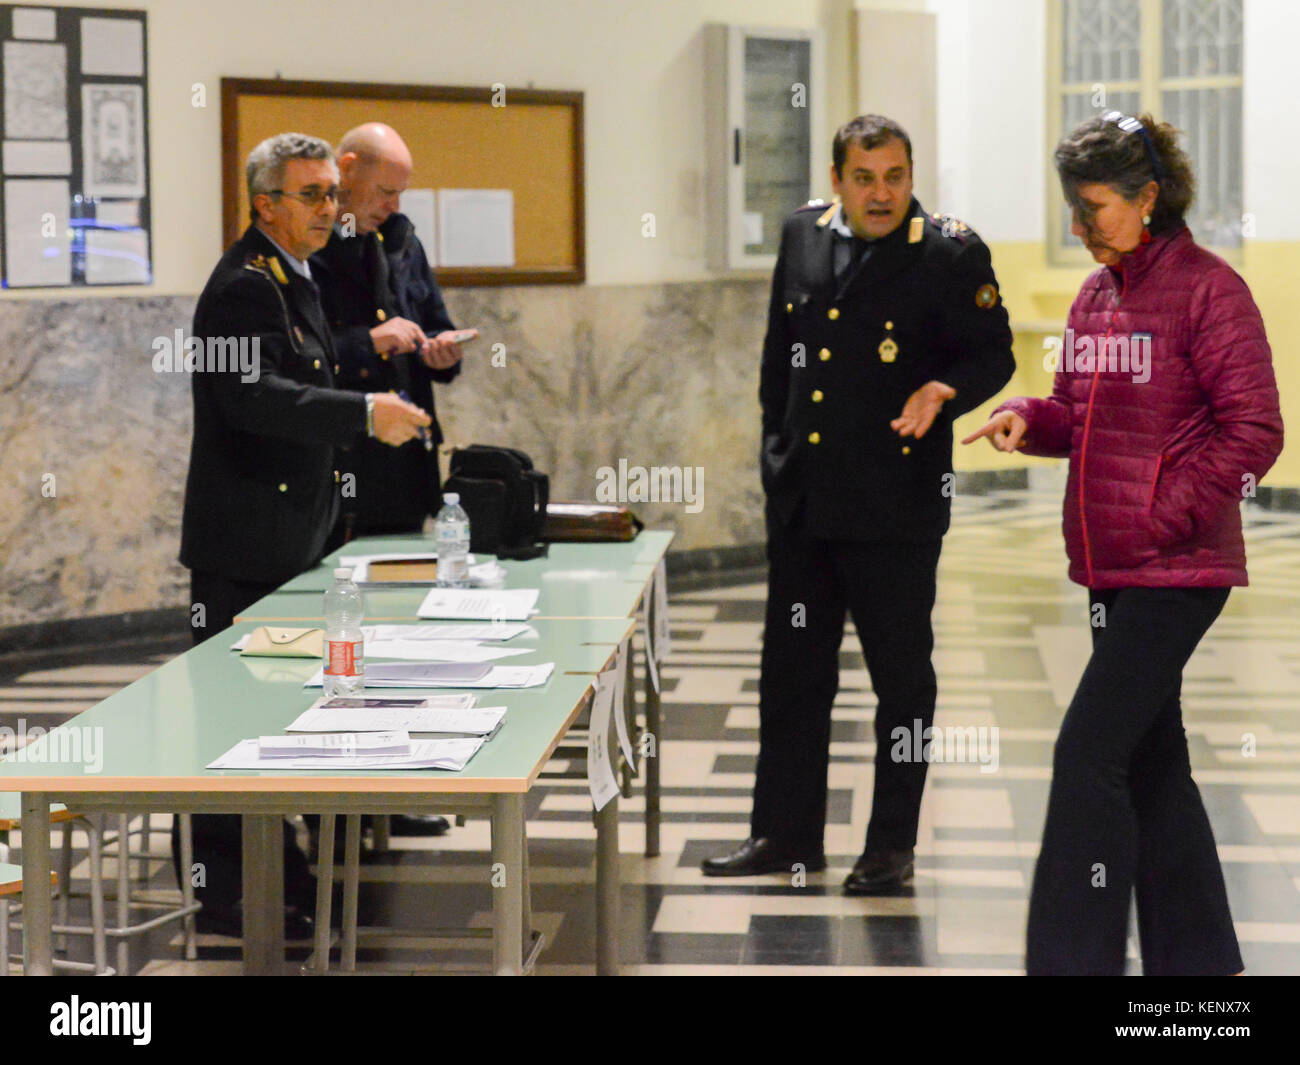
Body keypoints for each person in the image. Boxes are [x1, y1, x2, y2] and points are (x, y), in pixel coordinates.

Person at [963, 112, 1283, 975]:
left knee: (1087, 754)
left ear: (1149, 198)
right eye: (1072, 206)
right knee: (1151, 763)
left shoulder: (1212, 290)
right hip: (1115, 568)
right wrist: (1025, 418)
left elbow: (1254, 430)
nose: (1078, 224)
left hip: (1175, 570)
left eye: (1093, 206)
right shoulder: (1097, 296)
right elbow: (1074, 411)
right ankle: (1202, 975)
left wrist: (1160, 511)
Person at [702, 115, 1016, 894]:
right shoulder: (802, 234)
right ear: (838, 178)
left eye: (896, 177)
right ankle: (784, 834)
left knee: (902, 683)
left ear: (913, 174)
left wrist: (947, 387)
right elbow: (781, 361)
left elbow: (995, 351)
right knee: (792, 674)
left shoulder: (949, 252)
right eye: (866, 178)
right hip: (807, 505)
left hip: (895, 510)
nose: (883, 195)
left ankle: (890, 847)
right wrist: (777, 458)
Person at [177, 132, 431, 937]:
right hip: (245, 539)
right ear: (265, 205)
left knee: (282, 714)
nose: (330, 209)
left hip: (293, 534)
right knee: (229, 720)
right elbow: (257, 399)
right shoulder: (242, 288)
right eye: (312, 195)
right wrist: (362, 413)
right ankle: (226, 895)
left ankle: (281, 877)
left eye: (331, 193)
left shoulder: (297, 275)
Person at [311, 122, 468, 839]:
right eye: (382, 191)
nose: (390, 204)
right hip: (345, 465)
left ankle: (392, 786)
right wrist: (369, 344)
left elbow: (434, 320)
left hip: (406, 457)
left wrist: (439, 349)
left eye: (399, 192)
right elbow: (304, 358)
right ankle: (338, 797)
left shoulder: (403, 237)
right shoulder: (316, 245)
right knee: (343, 633)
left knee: (401, 632)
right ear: (345, 170)